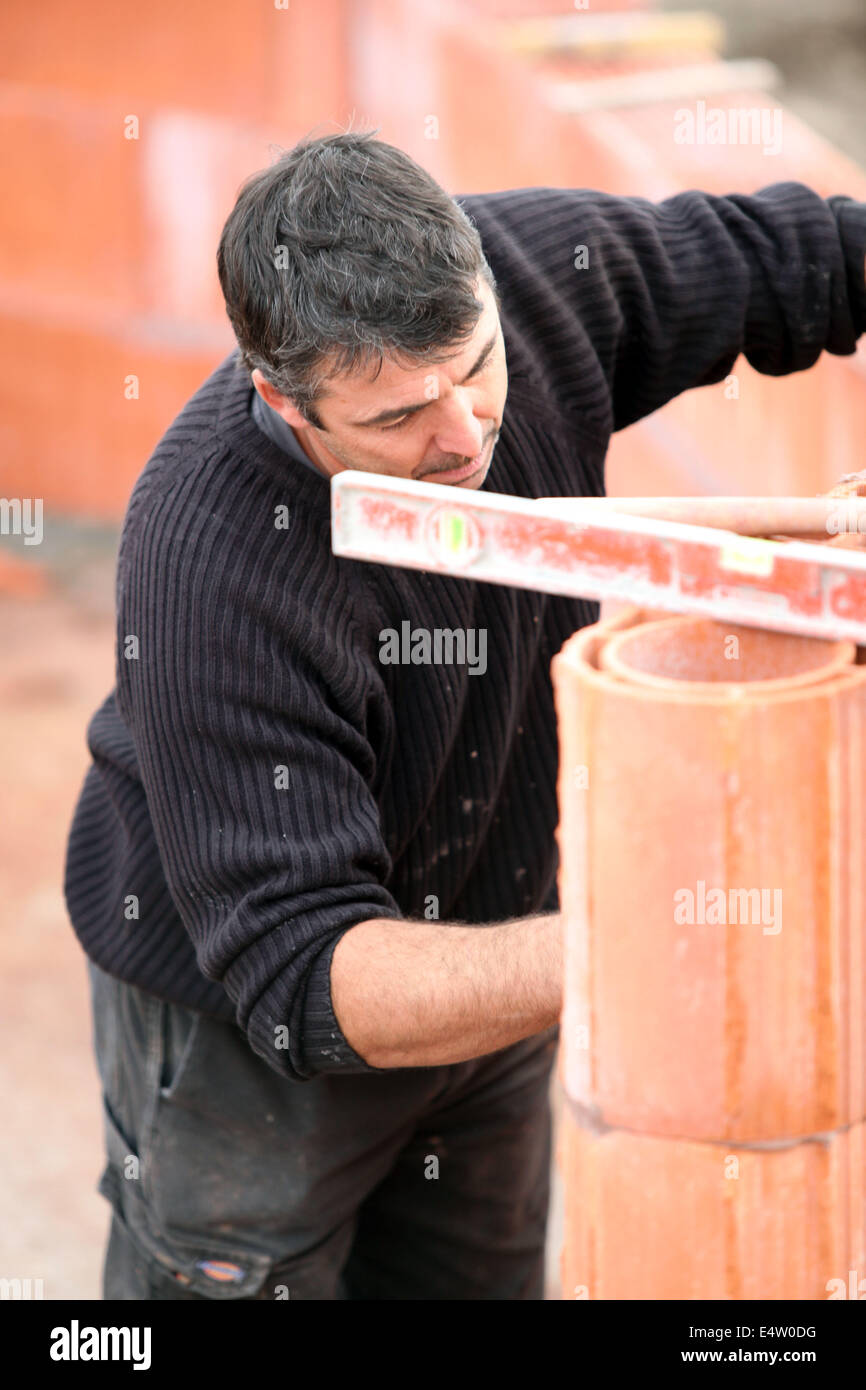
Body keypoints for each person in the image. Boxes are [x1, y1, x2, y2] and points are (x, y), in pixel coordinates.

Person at [64, 130, 866, 1300]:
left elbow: (801, 258)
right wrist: (635, 946)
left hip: (503, 961)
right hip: (250, 1046)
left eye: (473, 367)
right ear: (278, 397)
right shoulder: (207, 567)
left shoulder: (529, 277)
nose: (460, 435)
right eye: (393, 420)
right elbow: (306, 978)